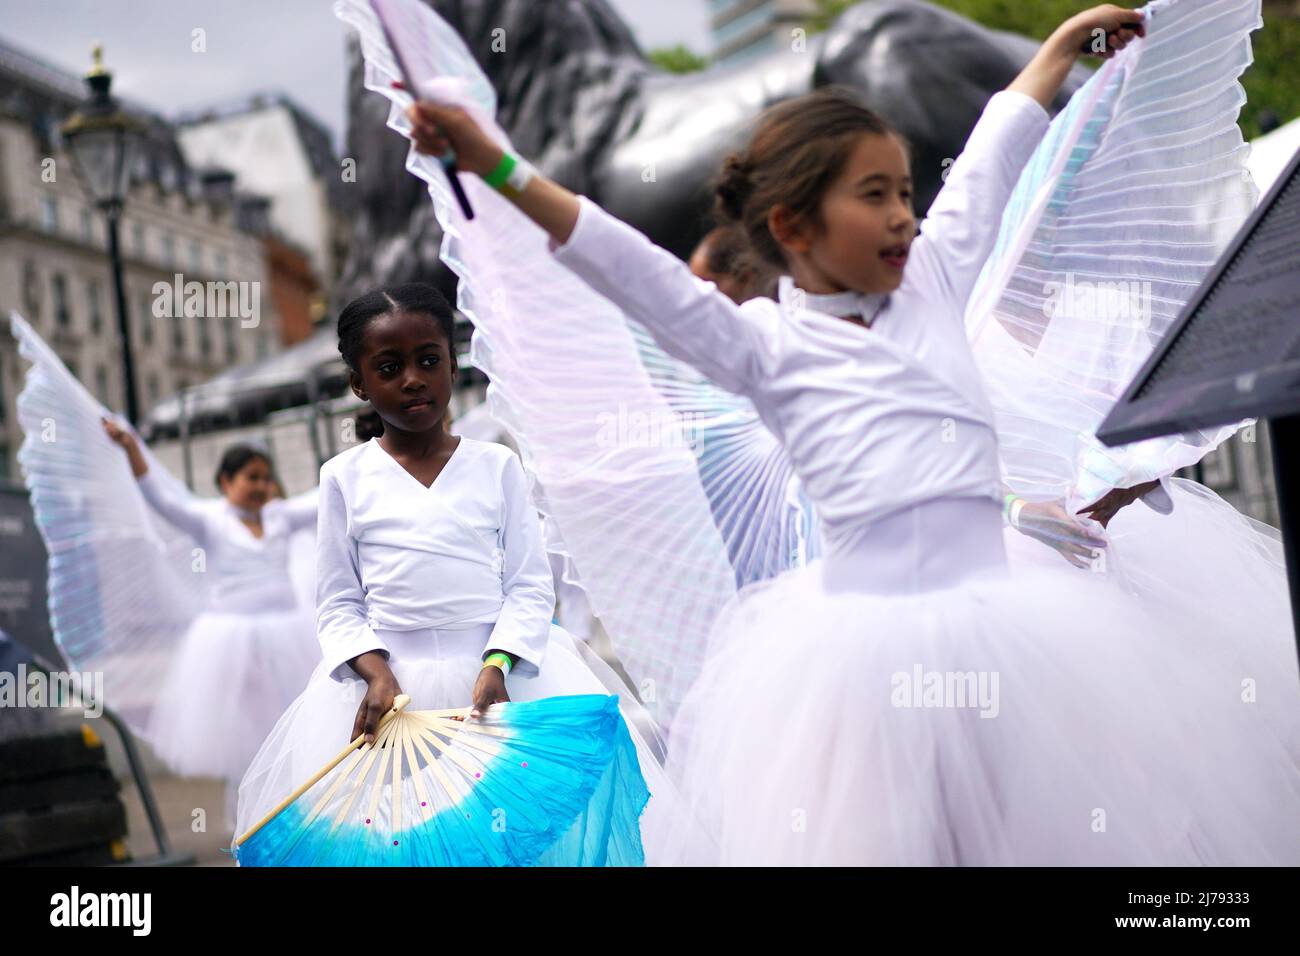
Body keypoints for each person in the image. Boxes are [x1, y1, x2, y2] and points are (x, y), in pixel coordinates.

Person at [396, 2, 1300, 864]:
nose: (906, 212)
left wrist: (1057, 52)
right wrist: (496, 165)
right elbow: (625, 265)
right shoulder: (762, 346)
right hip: (859, 668)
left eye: (906, 191)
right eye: (877, 196)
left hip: (1019, 631)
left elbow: (992, 154)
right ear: (792, 225)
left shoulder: (936, 277)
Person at [234, 283, 678, 864]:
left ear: (452, 363)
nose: (413, 379)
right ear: (359, 384)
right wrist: (375, 674)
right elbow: (340, 603)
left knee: (516, 844)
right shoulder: (344, 476)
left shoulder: (496, 466)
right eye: (389, 367)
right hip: (392, 697)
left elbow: (527, 584)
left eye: (428, 360)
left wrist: (498, 663)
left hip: (501, 687)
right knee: (411, 844)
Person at [99, 424, 321, 824]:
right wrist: (131, 447)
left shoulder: (280, 517)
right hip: (232, 644)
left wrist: (381, 450)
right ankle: (247, 831)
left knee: (293, 731)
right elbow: (160, 499)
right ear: (225, 481)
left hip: (288, 639)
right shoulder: (210, 520)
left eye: (265, 478)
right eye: (251, 477)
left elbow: (325, 498)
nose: (260, 486)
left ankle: (297, 822)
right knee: (244, 742)